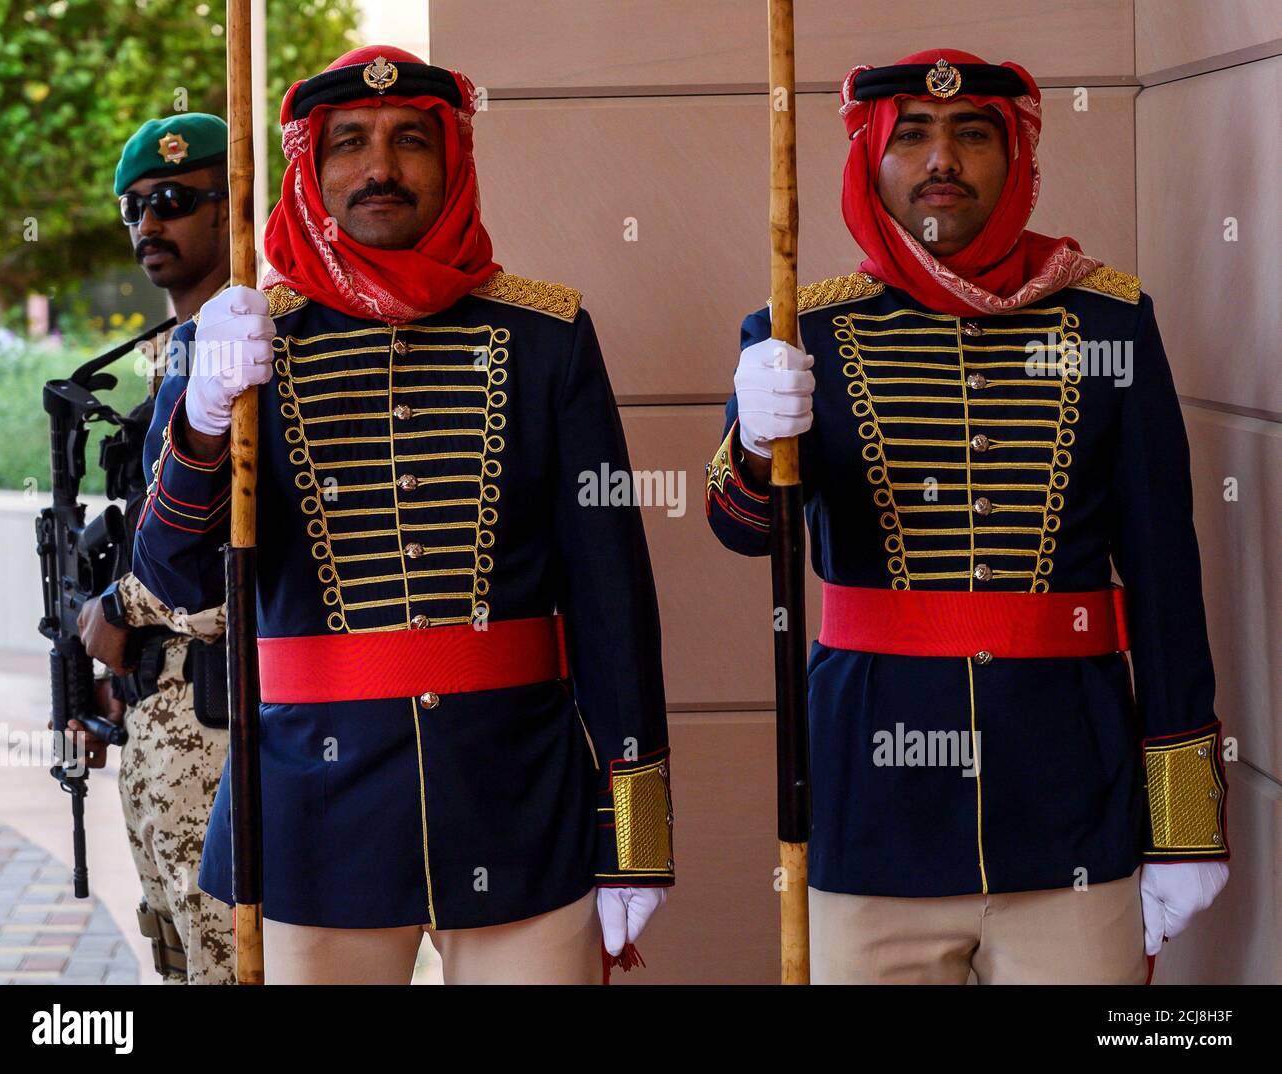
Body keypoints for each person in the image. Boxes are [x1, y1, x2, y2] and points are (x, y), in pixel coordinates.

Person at [133, 46, 673, 984]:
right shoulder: (232, 337)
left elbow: (614, 604)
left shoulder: (546, 335)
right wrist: (205, 420)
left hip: (519, 803)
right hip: (310, 816)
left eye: (410, 141)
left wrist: (637, 831)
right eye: (350, 144)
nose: (379, 168)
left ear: (453, 160)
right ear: (310, 163)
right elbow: (173, 574)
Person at [706, 48, 1228, 984]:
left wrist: (1186, 820)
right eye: (912, 135)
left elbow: (1165, 581)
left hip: (1075, 805)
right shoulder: (798, 331)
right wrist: (751, 441)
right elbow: (740, 530)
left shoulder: (1113, 324)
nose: (940, 157)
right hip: (870, 816)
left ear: (1018, 157)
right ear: (872, 159)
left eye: (971, 134)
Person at [73, 113, 235, 983]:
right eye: (132, 208)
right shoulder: (173, 352)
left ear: (231, 206)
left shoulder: (250, 342)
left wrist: (116, 607)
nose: (148, 225)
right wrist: (109, 673)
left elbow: (241, 554)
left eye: (172, 200)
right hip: (160, 722)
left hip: (224, 730)